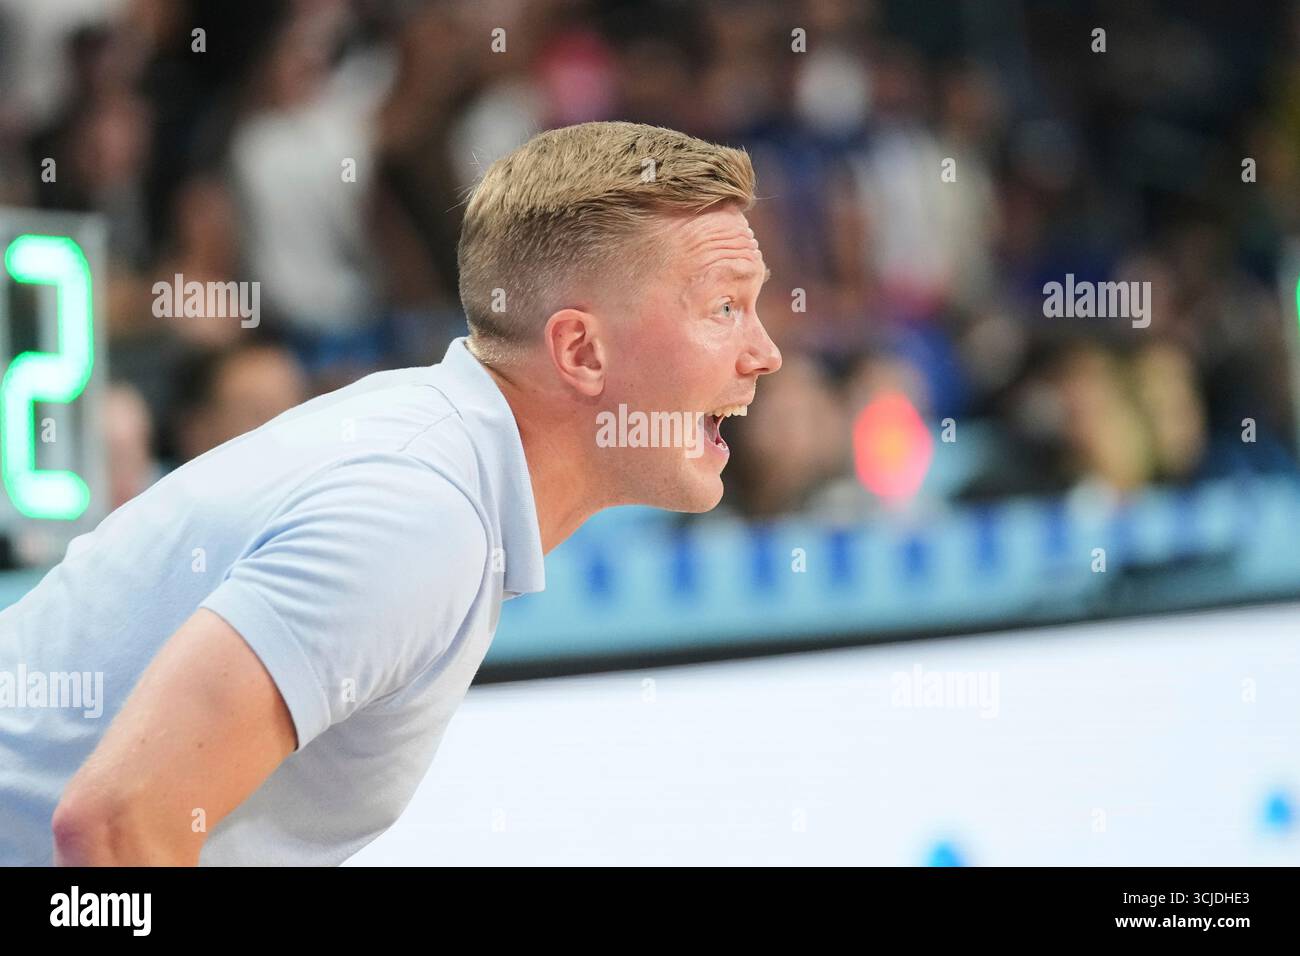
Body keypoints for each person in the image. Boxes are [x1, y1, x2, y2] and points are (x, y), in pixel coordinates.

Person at [0, 121, 781, 865]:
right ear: (579, 350)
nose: (766, 353)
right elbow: (113, 826)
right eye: (724, 307)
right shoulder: (419, 517)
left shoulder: (437, 464)